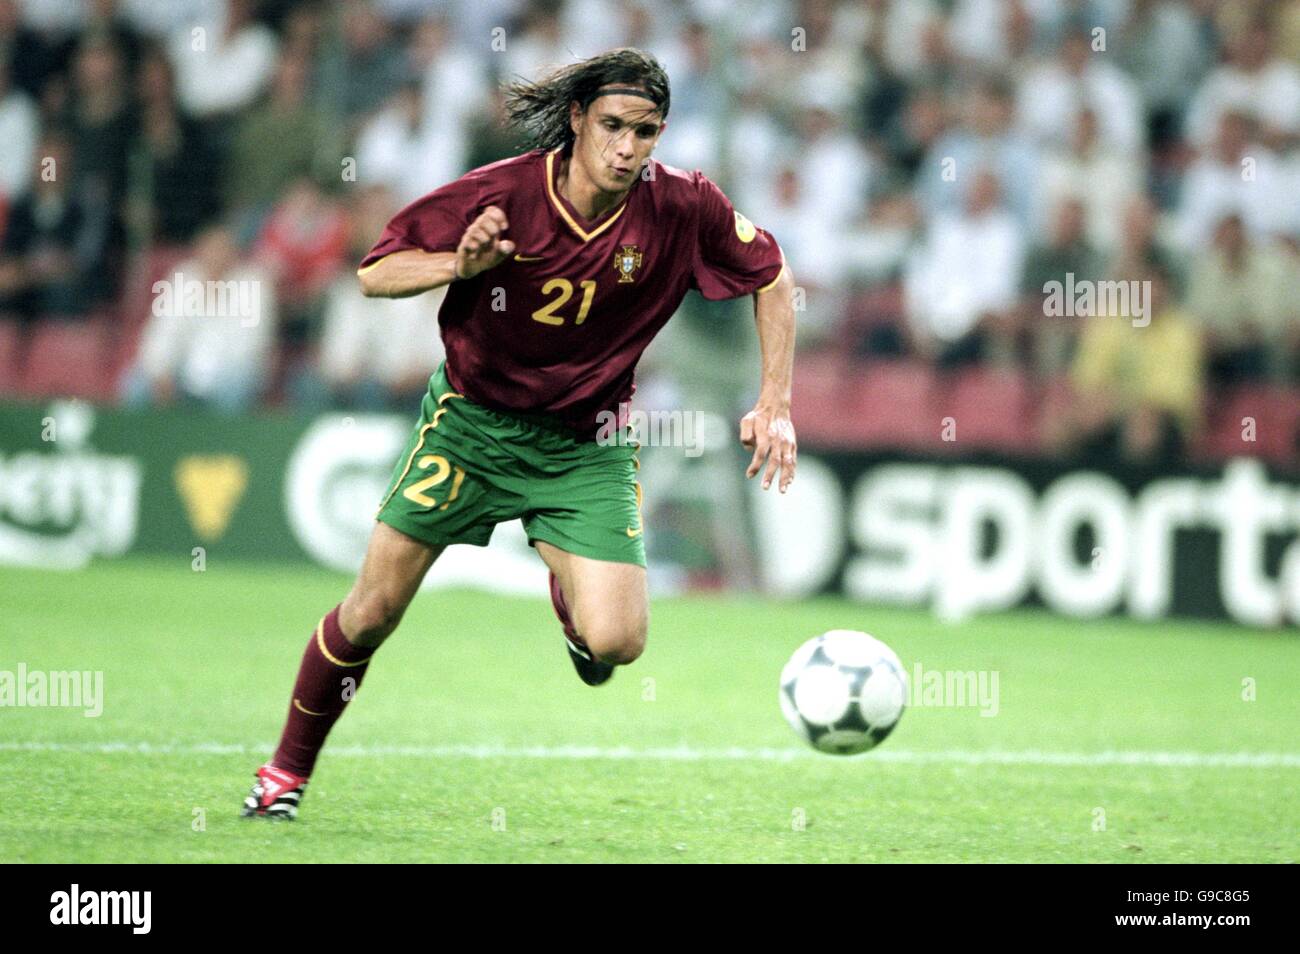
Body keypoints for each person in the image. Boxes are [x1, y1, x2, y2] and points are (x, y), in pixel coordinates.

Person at [241, 48, 798, 821]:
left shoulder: (683, 206)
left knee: (617, 644)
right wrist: (457, 264)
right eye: (611, 126)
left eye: (645, 132)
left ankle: (572, 607)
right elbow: (375, 270)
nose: (626, 148)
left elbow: (771, 274)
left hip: (585, 443)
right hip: (470, 427)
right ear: (576, 120)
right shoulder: (503, 191)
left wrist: (774, 402)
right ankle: (282, 777)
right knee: (370, 613)